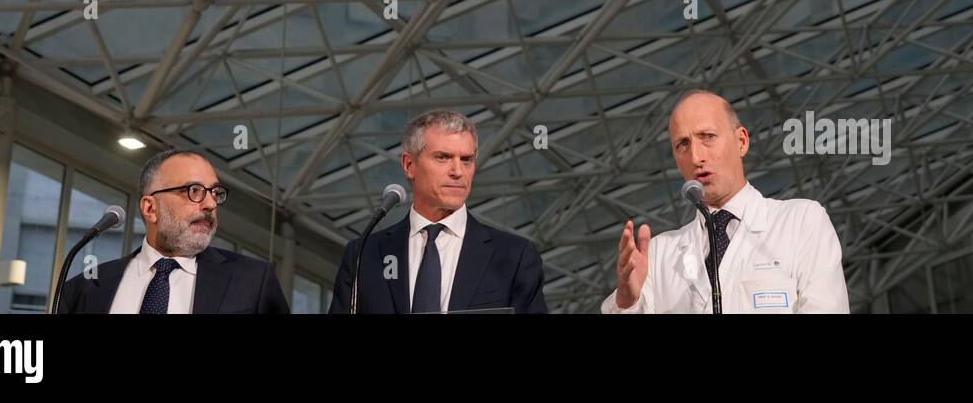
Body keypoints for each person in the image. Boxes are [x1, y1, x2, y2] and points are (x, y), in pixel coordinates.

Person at [603, 90, 849, 314]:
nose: (696, 157)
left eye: (708, 136)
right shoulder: (657, 256)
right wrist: (627, 300)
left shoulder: (802, 222)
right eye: (683, 144)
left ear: (741, 141)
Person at [330, 109, 547, 313]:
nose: (457, 171)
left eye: (466, 159)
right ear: (409, 165)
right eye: (442, 157)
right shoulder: (364, 255)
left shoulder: (513, 256)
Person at [58, 149, 289, 313]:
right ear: (150, 208)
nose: (210, 204)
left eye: (215, 192)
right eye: (194, 190)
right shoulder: (85, 289)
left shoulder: (252, 281)